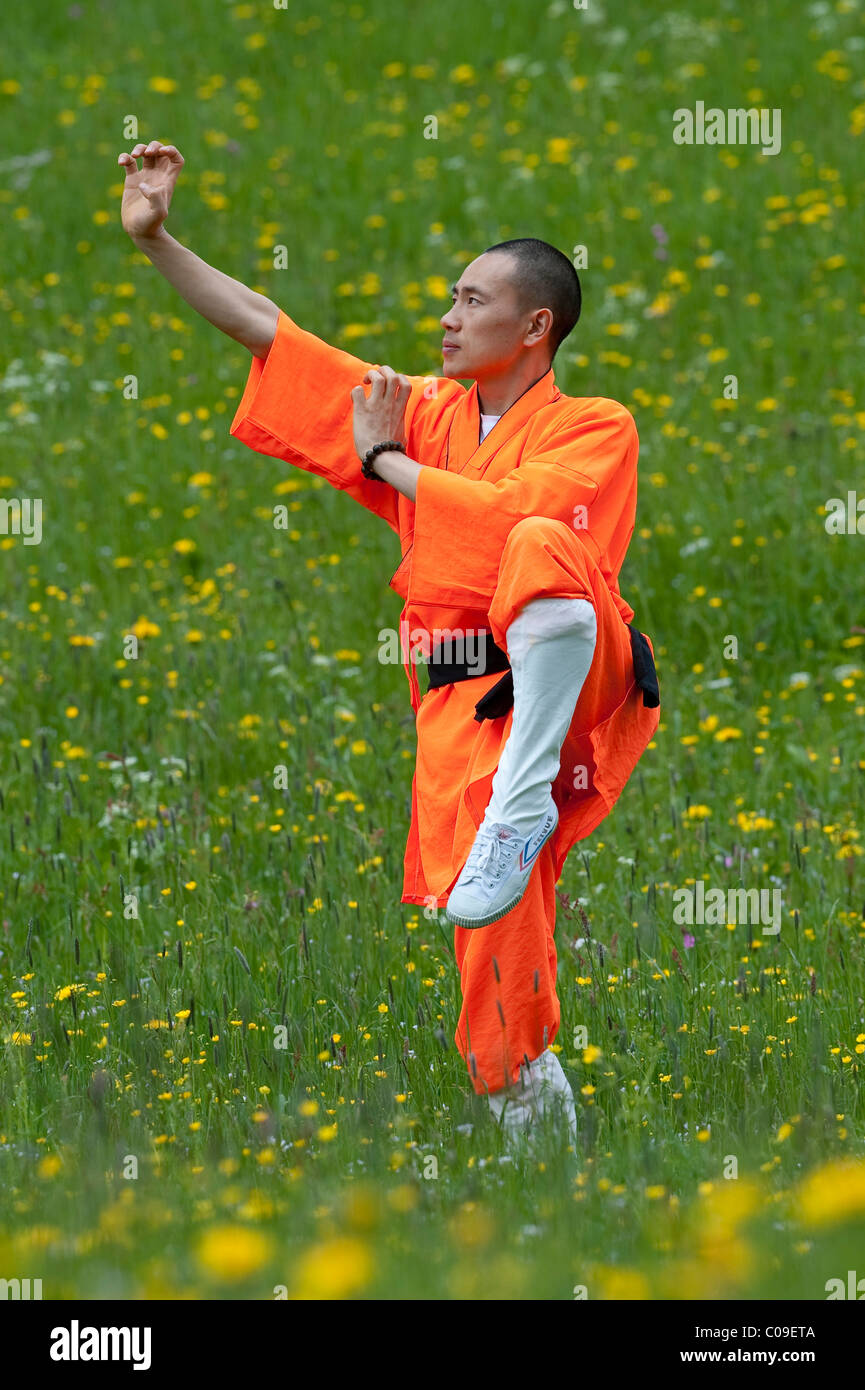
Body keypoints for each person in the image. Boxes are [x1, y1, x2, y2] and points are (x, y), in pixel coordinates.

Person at [117, 139, 660, 1153]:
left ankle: (527, 787)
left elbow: (512, 523)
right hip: (458, 709)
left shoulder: (596, 423)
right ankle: (532, 1132)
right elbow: (277, 339)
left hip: (575, 674)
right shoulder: (421, 414)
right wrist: (158, 242)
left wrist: (388, 464)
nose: (446, 320)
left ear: (534, 325)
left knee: (540, 541)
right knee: (489, 934)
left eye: (468, 300)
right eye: (448, 302)